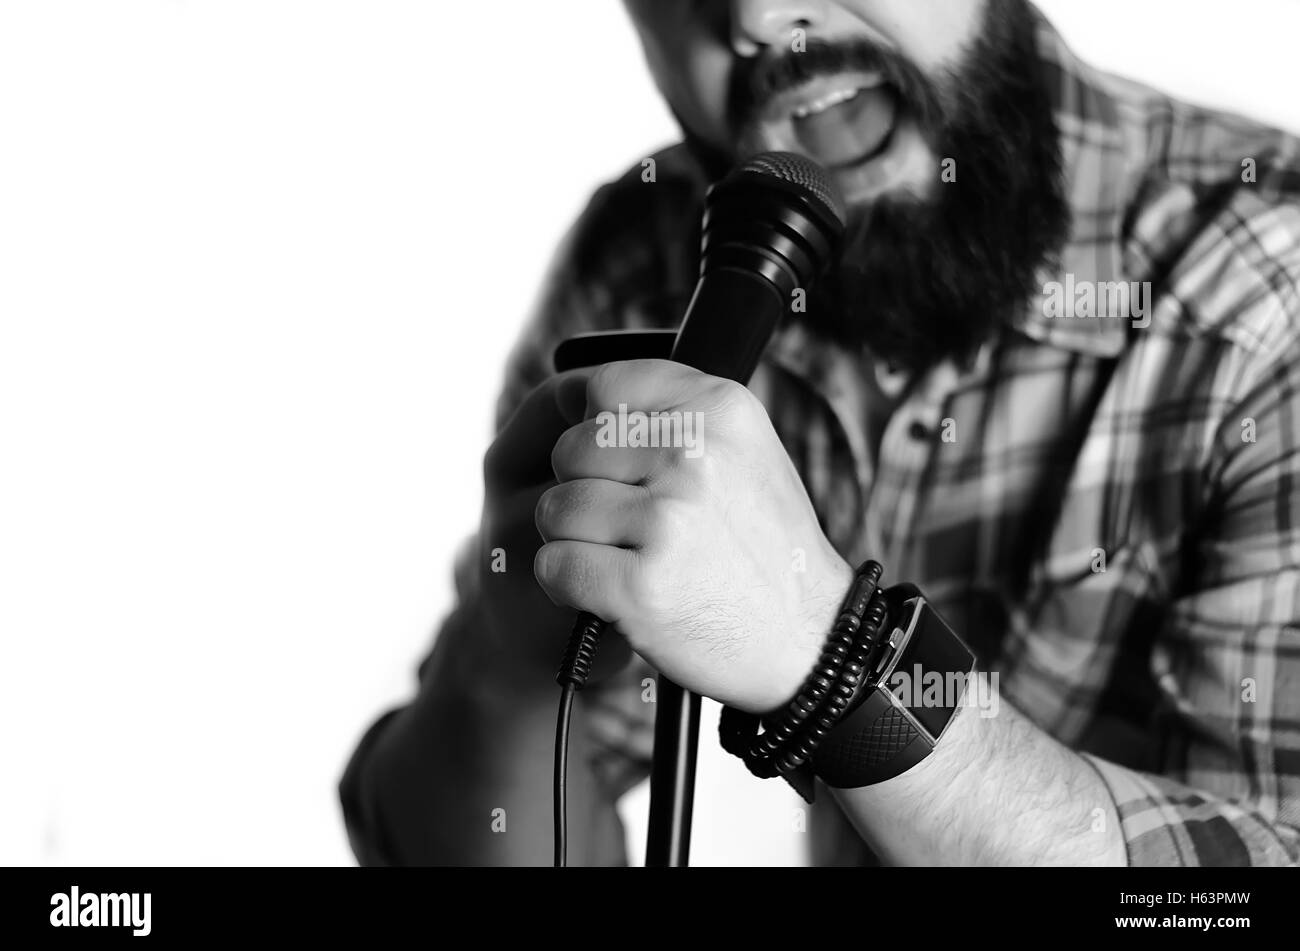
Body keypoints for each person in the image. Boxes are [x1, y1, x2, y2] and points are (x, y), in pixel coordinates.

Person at [340, 0, 1300, 865]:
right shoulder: (653, 262)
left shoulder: (1270, 295)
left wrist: (835, 661)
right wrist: (504, 669)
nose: (756, 15)